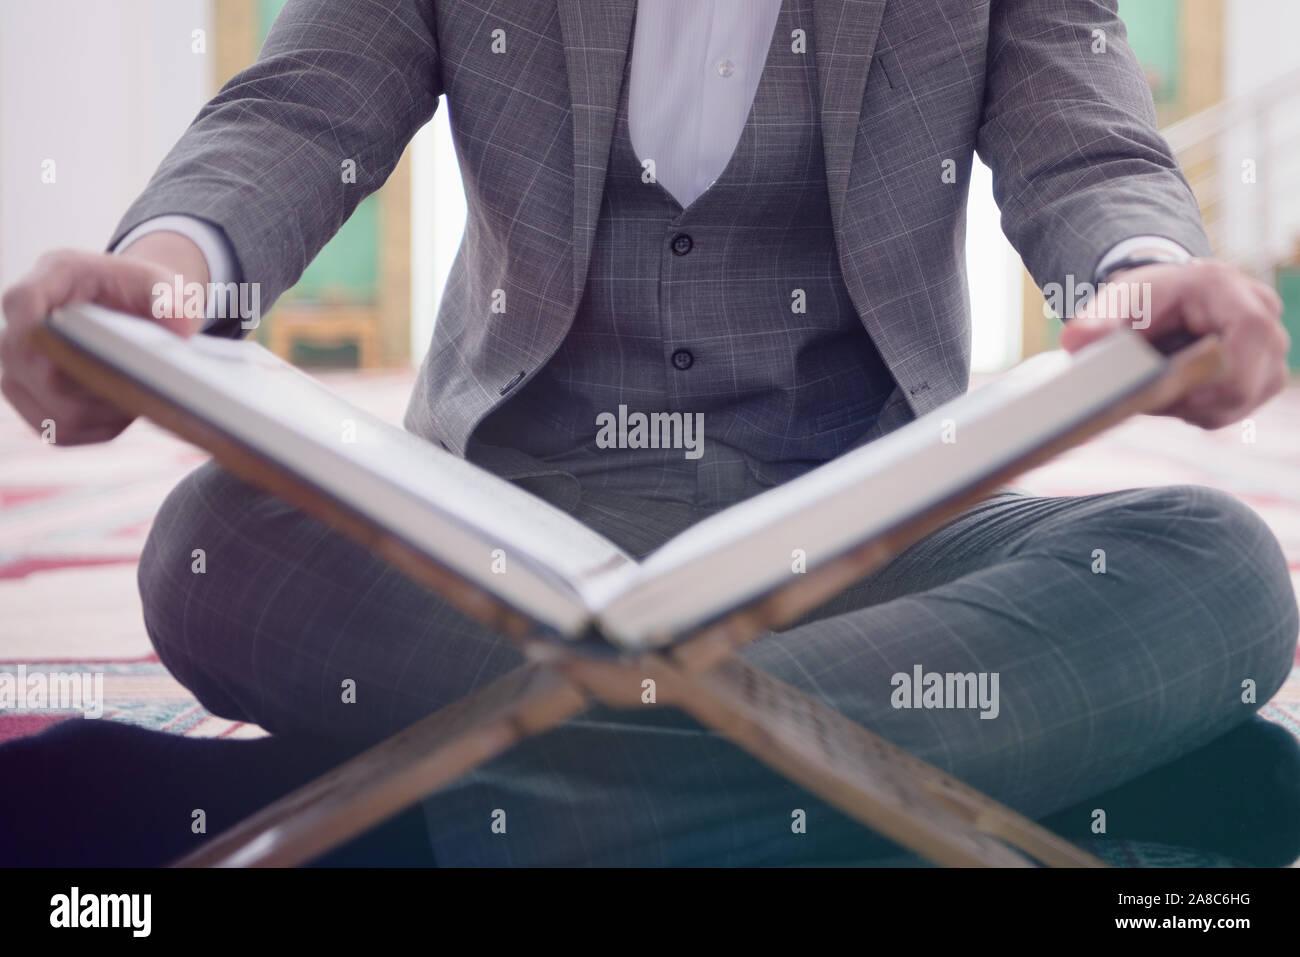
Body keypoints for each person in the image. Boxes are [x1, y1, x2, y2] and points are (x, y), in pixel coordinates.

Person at [1, 0, 1296, 866]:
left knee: (1215, 567)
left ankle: (381, 834)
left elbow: (1090, 155)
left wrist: (1144, 274)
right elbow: (300, 112)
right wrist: (166, 273)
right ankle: (920, 798)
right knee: (212, 549)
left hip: (860, 550)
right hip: (505, 553)